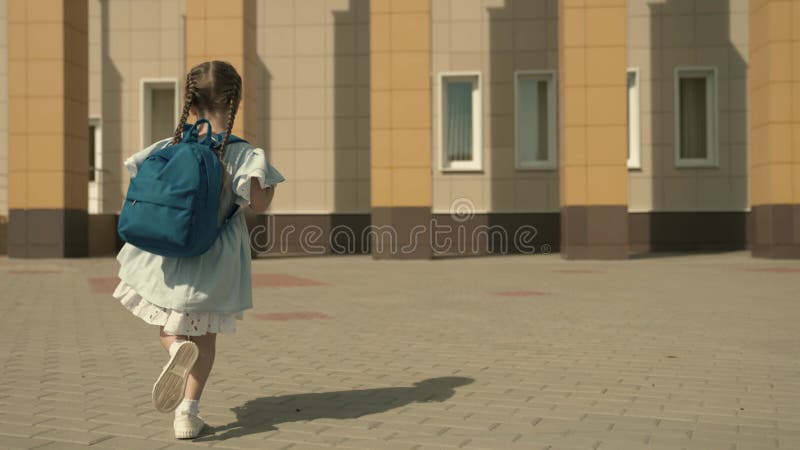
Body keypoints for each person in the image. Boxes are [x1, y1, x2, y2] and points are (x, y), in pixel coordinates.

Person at [112, 60, 284, 439]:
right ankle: (187, 415)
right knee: (204, 340)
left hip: (166, 254)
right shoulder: (241, 153)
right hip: (213, 258)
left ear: (190, 104)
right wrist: (269, 186)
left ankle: (174, 349)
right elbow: (258, 202)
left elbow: (137, 172)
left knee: (168, 327)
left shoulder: (169, 145)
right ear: (234, 102)